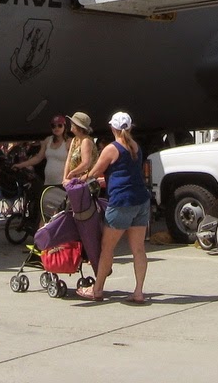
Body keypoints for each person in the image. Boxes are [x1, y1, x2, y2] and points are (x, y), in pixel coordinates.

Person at [76, 112, 150, 303]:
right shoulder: (135, 146)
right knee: (138, 249)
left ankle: (97, 290)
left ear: (112, 128)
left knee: (107, 248)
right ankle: (138, 292)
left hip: (121, 202)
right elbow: (126, 172)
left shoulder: (111, 148)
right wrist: (107, 180)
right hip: (141, 200)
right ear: (130, 127)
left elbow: (94, 172)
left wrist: (77, 180)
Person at [14, 114, 70, 186]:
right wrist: (20, 165)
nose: (56, 128)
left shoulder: (69, 142)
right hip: (48, 181)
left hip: (63, 182)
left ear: (64, 126)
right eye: (53, 126)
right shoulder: (48, 140)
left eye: (60, 125)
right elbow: (38, 157)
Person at [61, 111, 97, 183]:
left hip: (86, 182)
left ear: (79, 127)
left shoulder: (86, 141)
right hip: (74, 182)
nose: (71, 124)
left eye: (73, 123)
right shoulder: (74, 139)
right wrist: (65, 178)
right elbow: (68, 160)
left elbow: (86, 164)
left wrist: (72, 172)